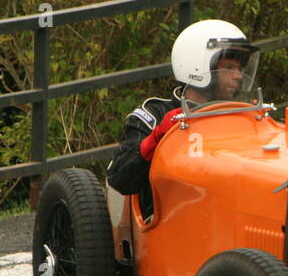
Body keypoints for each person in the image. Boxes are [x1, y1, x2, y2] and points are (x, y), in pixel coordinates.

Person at [106, 18, 259, 198]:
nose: (238, 76)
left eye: (240, 69)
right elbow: (119, 179)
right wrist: (157, 138)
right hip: (169, 216)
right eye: (228, 67)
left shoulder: (240, 115)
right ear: (195, 66)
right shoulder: (154, 114)